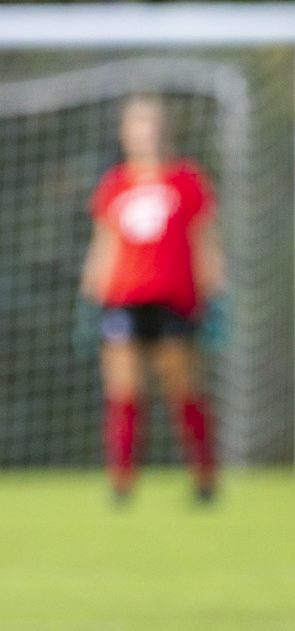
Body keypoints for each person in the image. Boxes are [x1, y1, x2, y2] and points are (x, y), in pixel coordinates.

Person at [79, 94, 223, 503]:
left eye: (151, 123)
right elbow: (103, 245)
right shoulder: (115, 185)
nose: (145, 133)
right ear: (124, 134)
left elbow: (205, 242)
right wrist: (88, 299)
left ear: (165, 129)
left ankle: (204, 478)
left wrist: (217, 294)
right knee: (123, 390)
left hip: (176, 299)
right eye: (136, 124)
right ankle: (121, 483)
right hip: (123, 299)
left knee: (183, 388)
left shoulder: (187, 180)